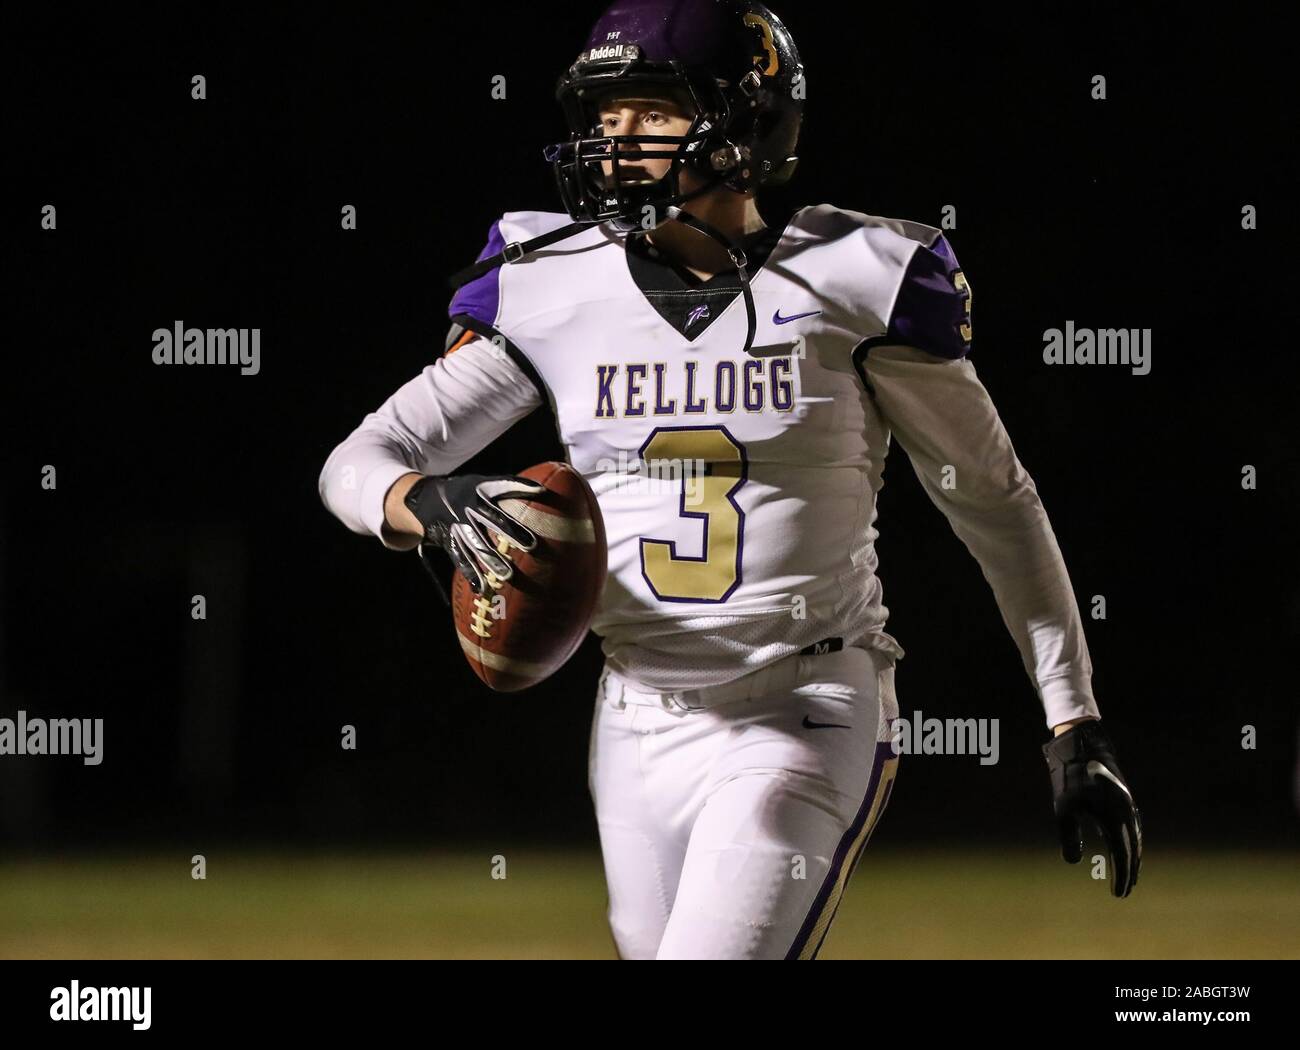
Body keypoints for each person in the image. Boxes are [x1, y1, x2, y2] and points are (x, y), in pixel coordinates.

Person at [319, 0, 1142, 960]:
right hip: (632, 717)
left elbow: (996, 503)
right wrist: (429, 503)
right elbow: (358, 461)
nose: (616, 144)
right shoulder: (554, 285)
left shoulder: (853, 279)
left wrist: (1071, 720)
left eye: (652, 114)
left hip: (804, 703)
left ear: (748, 123)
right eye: (603, 117)